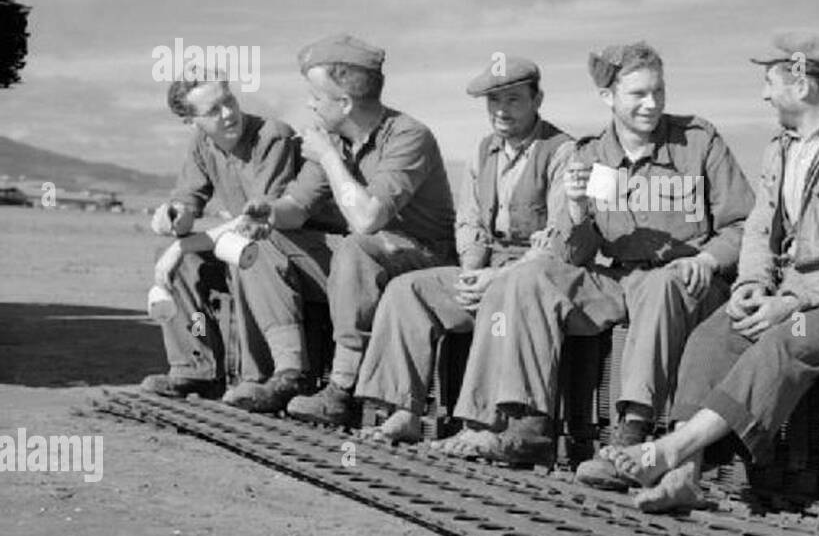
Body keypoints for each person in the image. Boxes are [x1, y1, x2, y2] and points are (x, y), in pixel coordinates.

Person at [599, 31, 819, 512]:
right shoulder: (777, 150)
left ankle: (673, 449)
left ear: (800, 83)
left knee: (785, 342)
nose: (763, 93)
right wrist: (751, 286)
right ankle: (684, 479)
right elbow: (758, 232)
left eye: (769, 81)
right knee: (710, 339)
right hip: (780, 294)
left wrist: (791, 302)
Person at [436, 41, 754, 471]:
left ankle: (632, 436)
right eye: (638, 94)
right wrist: (578, 210)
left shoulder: (698, 141)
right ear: (608, 98)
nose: (651, 103)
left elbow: (745, 226)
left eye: (658, 92)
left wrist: (709, 260)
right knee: (529, 279)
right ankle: (528, 427)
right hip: (619, 278)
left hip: (687, 279)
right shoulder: (590, 155)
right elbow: (573, 255)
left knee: (661, 284)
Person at [353, 55, 573, 443]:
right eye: (494, 102)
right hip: (487, 267)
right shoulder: (482, 151)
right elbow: (468, 220)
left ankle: (482, 425)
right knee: (407, 291)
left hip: (532, 276)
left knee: (500, 301)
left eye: (513, 100)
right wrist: (472, 269)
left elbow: (559, 240)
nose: (501, 111)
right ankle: (403, 412)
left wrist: (498, 277)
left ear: (538, 100)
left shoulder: (562, 152)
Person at [241, 34, 457, 427]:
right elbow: (298, 207)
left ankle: (342, 390)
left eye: (316, 96)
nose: (309, 104)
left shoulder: (409, 136)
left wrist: (327, 157)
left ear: (344, 103)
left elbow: (367, 219)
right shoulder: (335, 139)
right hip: (364, 260)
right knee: (265, 239)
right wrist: (268, 212)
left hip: (422, 258)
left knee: (357, 246)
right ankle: (289, 374)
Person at [141, 67, 324, 410]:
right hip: (252, 243)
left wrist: (182, 244)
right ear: (191, 121)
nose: (228, 114)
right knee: (183, 262)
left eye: (228, 101)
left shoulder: (272, 136)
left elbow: (256, 221)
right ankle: (196, 366)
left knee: (246, 249)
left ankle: (263, 376)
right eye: (213, 111)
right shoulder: (202, 145)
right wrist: (173, 219)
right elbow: (187, 203)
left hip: (296, 250)